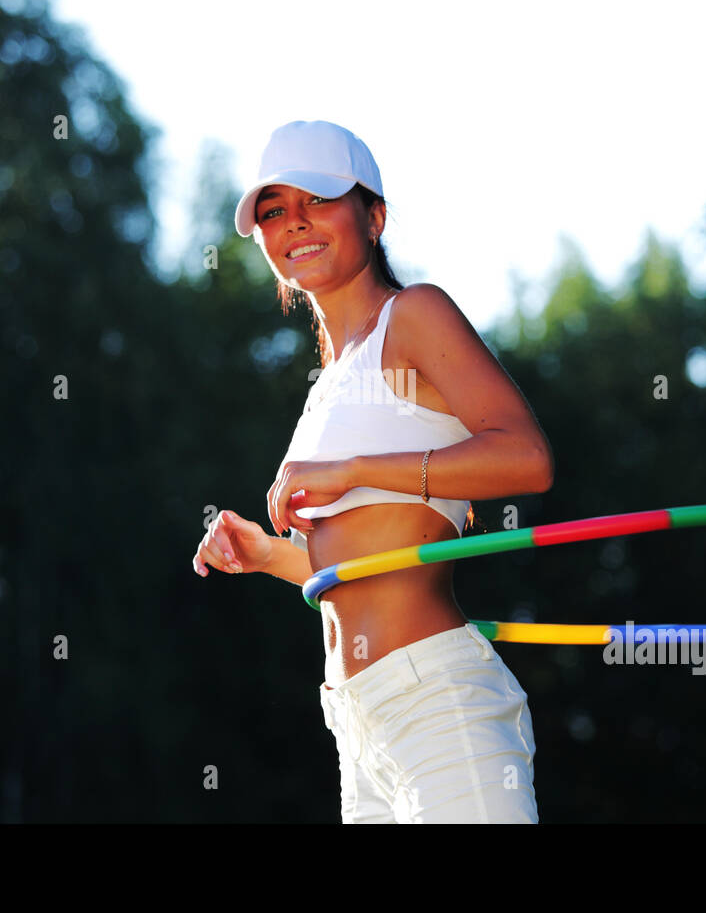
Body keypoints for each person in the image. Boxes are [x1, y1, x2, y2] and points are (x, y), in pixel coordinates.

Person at [192, 120, 554, 823]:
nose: (294, 222)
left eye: (319, 199)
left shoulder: (413, 315)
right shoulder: (327, 381)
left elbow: (527, 457)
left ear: (375, 215)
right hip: (358, 730)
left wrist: (356, 468)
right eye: (273, 210)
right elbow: (365, 567)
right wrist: (271, 557)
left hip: (435, 700)